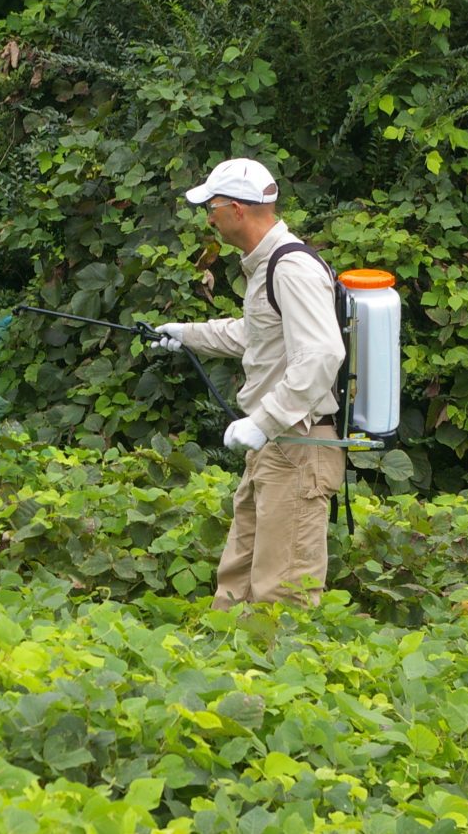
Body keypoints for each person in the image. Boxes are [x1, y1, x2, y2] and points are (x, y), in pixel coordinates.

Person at [151, 158, 345, 608]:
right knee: (237, 576)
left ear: (237, 209)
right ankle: (223, 663)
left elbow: (322, 355)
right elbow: (252, 334)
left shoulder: (291, 267)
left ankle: (278, 674)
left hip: (296, 446)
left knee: (282, 592)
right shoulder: (266, 265)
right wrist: (185, 335)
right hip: (274, 448)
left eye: (212, 206)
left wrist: (265, 420)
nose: (209, 217)